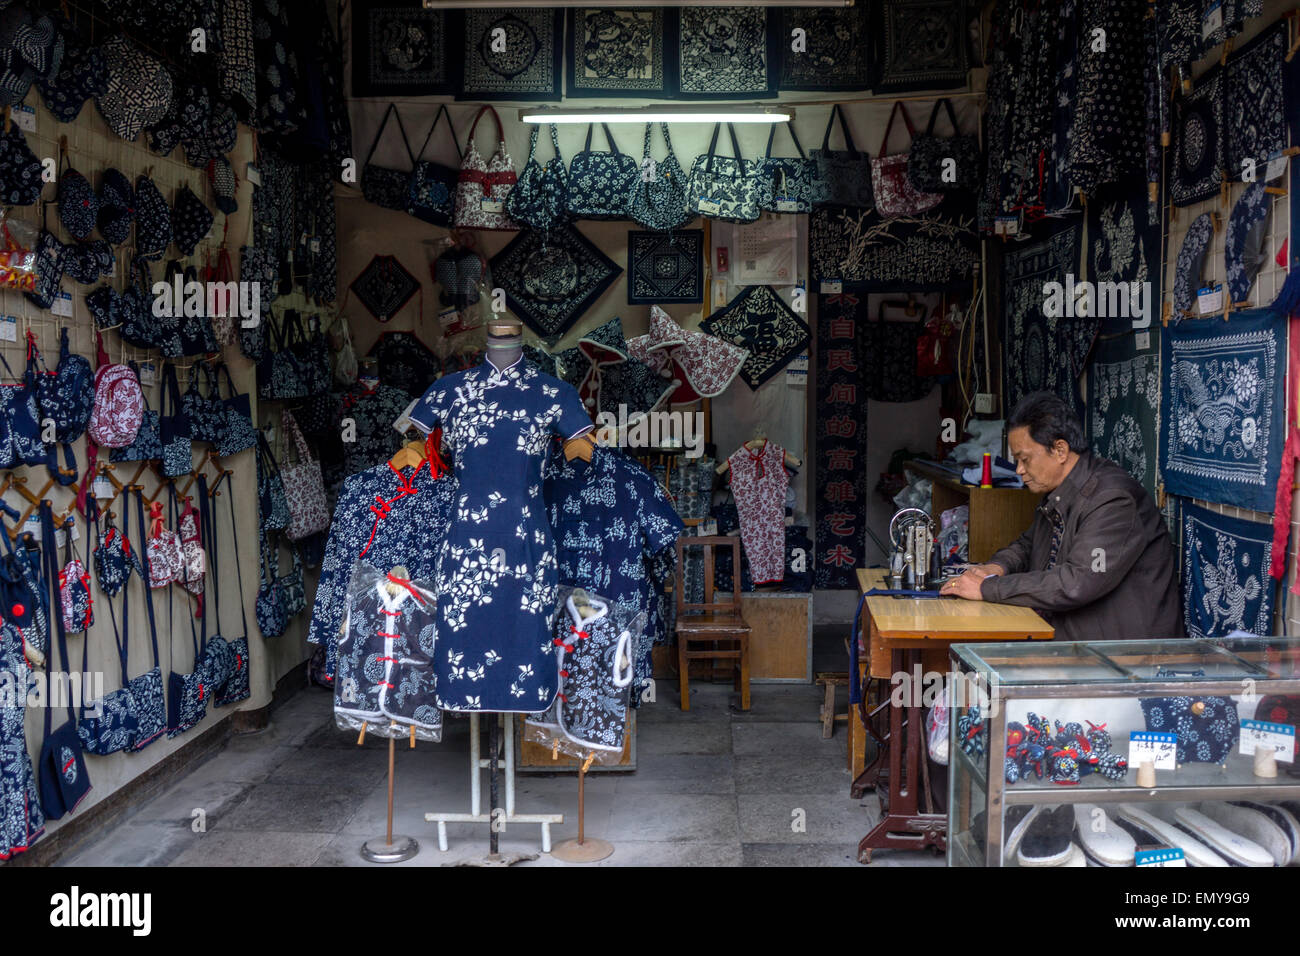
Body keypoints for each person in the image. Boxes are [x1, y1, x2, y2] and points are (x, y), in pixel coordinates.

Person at [941, 391, 1183, 641]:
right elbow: (1028, 544)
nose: (1019, 470)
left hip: (1125, 656)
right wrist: (995, 567)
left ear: (1060, 450)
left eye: (1024, 459)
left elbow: (1078, 581)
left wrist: (988, 588)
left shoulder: (1113, 500)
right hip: (1080, 641)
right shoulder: (1059, 492)